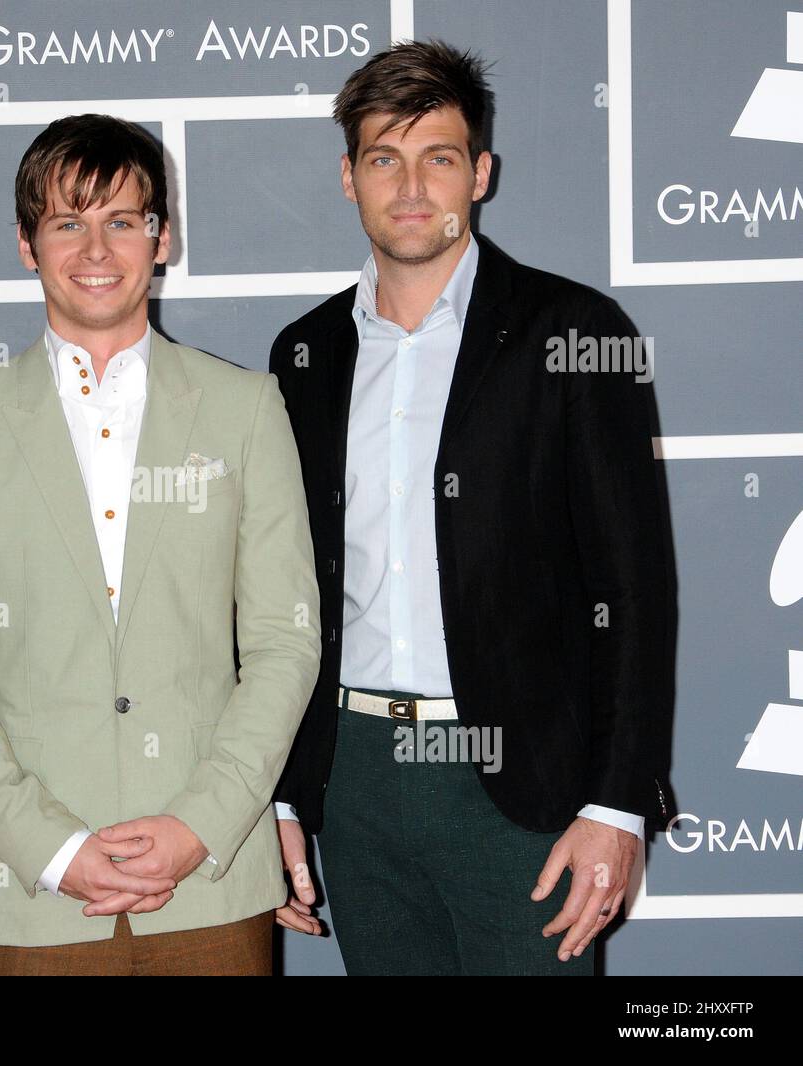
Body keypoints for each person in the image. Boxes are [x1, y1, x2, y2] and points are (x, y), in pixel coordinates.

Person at [269, 39, 675, 975]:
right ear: (348, 178)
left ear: (480, 173)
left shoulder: (574, 333)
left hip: (523, 785)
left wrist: (616, 806)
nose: (411, 186)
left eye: (439, 158)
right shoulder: (305, 355)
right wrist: (286, 794)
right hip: (358, 778)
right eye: (384, 158)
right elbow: (283, 595)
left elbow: (635, 589)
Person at [0, 114, 321, 975]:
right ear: (27, 243)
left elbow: (285, 643)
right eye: (68, 222)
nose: (97, 247)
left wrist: (199, 826)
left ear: (160, 239)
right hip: (32, 901)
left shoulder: (246, 410)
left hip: (212, 883)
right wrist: (51, 848)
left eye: (123, 220)